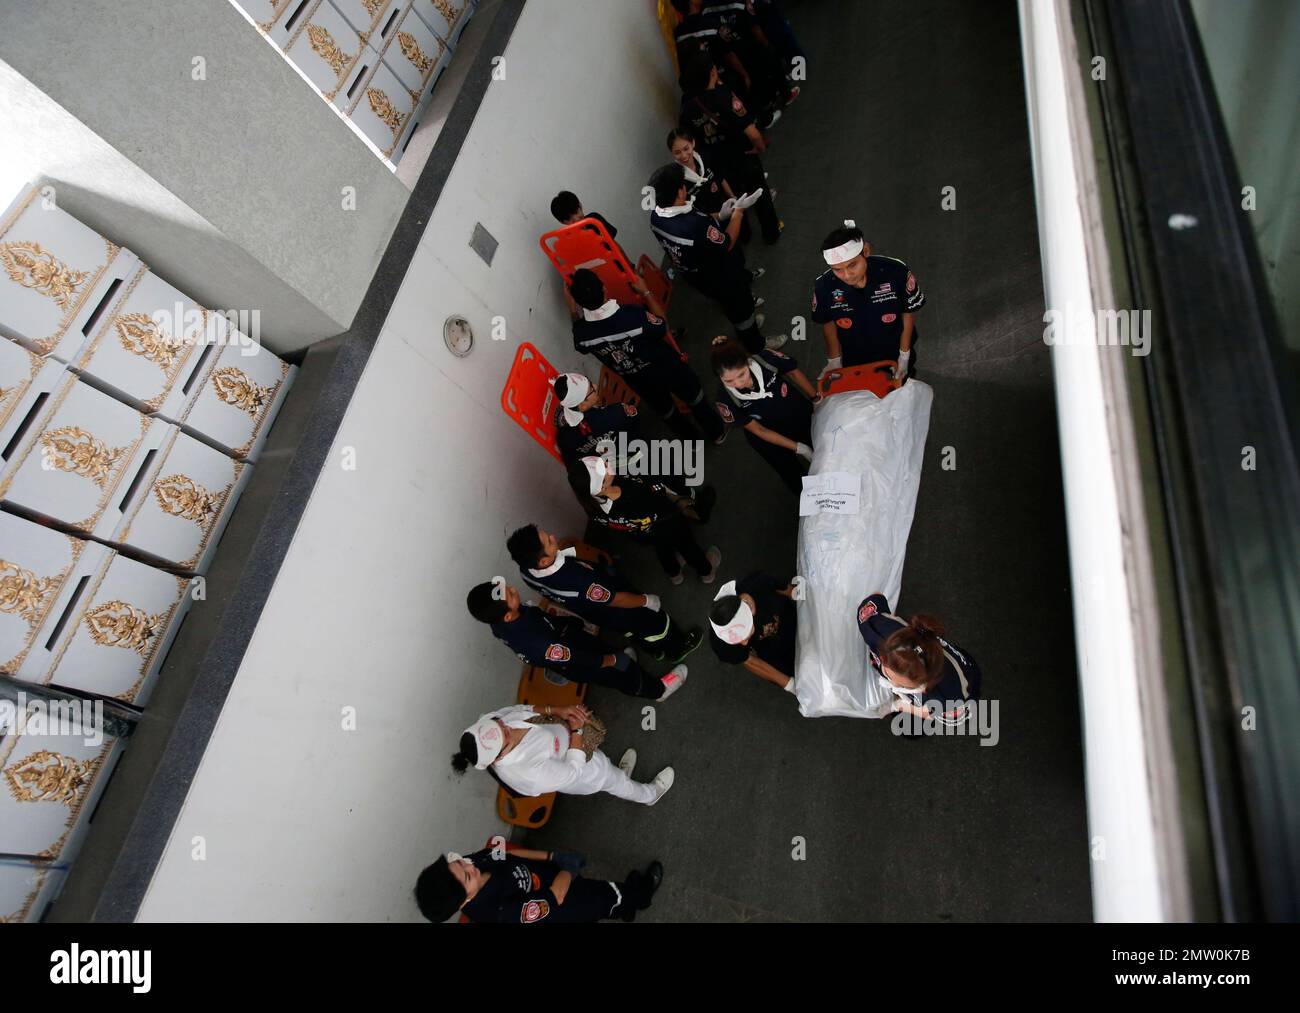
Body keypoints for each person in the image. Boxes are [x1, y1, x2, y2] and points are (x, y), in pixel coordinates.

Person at [566, 270, 725, 443]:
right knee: (694, 397)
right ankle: (716, 433)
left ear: (579, 303)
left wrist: (573, 310)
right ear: (604, 288)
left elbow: (579, 339)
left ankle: (692, 441)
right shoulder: (632, 316)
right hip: (668, 367)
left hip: (640, 381)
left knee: (667, 412)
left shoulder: (583, 335)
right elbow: (662, 326)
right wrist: (646, 292)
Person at [507, 524, 703, 663]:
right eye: (548, 542)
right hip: (618, 608)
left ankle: (655, 651)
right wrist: (646, 600)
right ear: (542, 561)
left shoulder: (527, 572)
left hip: (595, 612)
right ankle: (676, 649)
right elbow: (617, 599)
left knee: (634, 633)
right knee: (656, 623)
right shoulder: (577, 579)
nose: (553, 538)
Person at [466, 580, 688, 700]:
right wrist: (607, 661)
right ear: (507, 615)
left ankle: (622, 662)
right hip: (580, 659)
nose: (514, 590)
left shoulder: (499, 624)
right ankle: (657, 690)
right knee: (620, 674)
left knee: (612, 655)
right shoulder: (536, 642)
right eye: (510, 595)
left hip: (568, 640)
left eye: (506, 588)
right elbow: (575, 658)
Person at [648, 162, 785, 353]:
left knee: (730, 306)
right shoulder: (694, 226)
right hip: (722, 276)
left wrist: (719, 215)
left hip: (698, 277)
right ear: (679, 192)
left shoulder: (656, 218)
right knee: (741, 308)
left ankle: (747, 329)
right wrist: (738, 212)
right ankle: (756, 344)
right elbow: (726, 241)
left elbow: (698, 218)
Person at [451, 703, 674, 803]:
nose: (506, 727)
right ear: (497, 757)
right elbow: (573, 772)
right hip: (584, 769)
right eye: (503, 736)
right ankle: (650, 794)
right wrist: (576, 730)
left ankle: (620, 774)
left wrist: (557, 710)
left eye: (499, 725)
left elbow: (521, 710)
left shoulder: (493, 721)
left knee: (606, 765)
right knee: (611, 780)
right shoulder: (525, 773)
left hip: (574, 741)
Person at [677, 49, 782, 244]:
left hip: (717, 164)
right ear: (712, 73)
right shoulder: (724, 95)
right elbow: (752, 132)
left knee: (732, 201)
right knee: (759, 193)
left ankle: (742, 235)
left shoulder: (688, 107)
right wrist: (759, 146)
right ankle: (771, 232)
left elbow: (690, 141)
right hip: (742, 155)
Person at [569, 455, 720, 586]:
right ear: (600, 487)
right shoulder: (629, 496)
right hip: (667, 521)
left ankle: (674, 574)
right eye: (604, 469)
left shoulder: (592, 506)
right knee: (687, 545)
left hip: (643, 533)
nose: (608, 464)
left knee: (662, 547)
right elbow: (657, 492)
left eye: (603, 462)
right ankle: (706, 571)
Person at [415, 844, 664, 923]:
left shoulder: (471, 866)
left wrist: (552, 858)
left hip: (555, 876)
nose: (470, 866)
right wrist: (569, 868)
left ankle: (624, 905)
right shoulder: (499, 913)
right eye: (467, 876)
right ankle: (639, 897)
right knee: (606, 897)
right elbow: (554, 898)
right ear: (464, 901)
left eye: (459, 862)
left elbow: (506, 853)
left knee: (602, 890)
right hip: (567, 904)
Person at [855, 594, 983, 731]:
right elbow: (876, 598)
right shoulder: (879, 628)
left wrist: (897, 706)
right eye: (888, 670)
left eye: (902, 685)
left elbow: (931, 714)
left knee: (909, 729)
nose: (893, 684)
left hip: (963, 679)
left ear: (926, 684)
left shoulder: (951, 699)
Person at [813, 221, 925, 375]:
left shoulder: (896, 272)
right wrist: (834, 360)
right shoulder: (823, 286)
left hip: (893, 347)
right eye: (837, 270)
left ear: (865, 251)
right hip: (854, 354)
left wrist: (904, 355)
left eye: (852, 265)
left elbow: (907, 311)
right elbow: (828, 321)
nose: (846, 275)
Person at [711, 336, 819, 493]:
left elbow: (793, 372)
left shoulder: (766, 360)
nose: (738, 384)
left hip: (797, 414)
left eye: (741, 374)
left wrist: (816, 398)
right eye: (729, 381)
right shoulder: (725, 400)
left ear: (748, 362)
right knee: (792, 473)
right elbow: (759, 430)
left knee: (823, 447)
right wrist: (798, 448)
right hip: (769, 436)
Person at [707, 573, 798, 693]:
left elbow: (787, 590)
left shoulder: (758, 584)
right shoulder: (721, 645)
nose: (745, 644)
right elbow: (750, 661)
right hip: (765, 643)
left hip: (786, 616)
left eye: (745, 636)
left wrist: (803, 598)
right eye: (738, 641)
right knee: (793, 670)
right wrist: (790, 685)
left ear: (750, 609)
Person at [550, 372, 645, 467]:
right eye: (591, 389)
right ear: (583, 405)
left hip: (600, 466)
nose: (595, 386)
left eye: (590, 382)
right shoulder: (617, 413)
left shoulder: (562, 435)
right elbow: (634, 421)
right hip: (631, 454)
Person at [549, 191, 618, 240]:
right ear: (562, 222)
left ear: (580, 206)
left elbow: (614, 243)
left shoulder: (594, 219)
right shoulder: (569, 238)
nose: (576, 219)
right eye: (568, 219)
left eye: (576, 212)